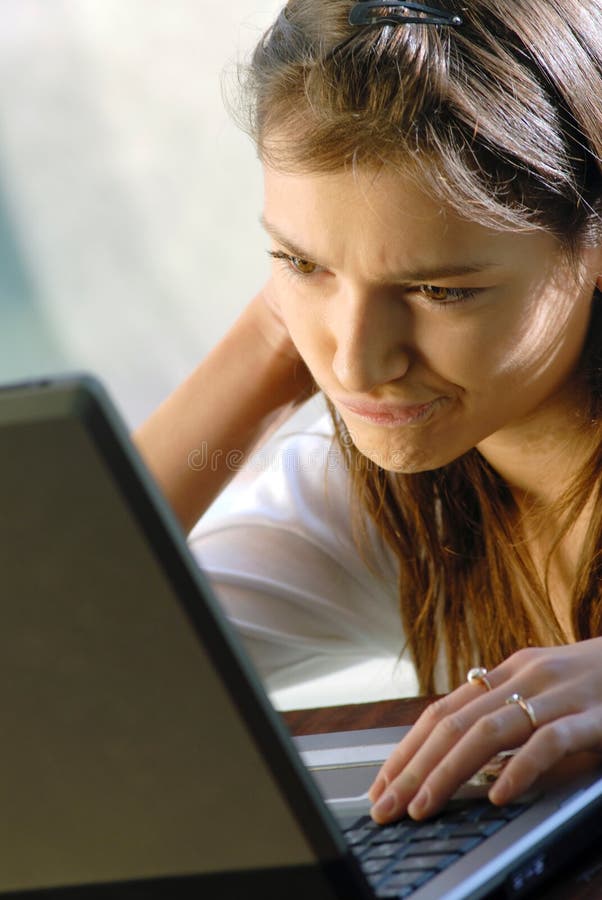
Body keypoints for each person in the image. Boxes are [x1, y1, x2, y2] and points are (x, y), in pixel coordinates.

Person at [134, 0, 602, 826]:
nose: (355, 362)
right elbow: (35, 666)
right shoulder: (382, 493)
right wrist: (263, 354)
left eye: (440, 290)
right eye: (299, 261)